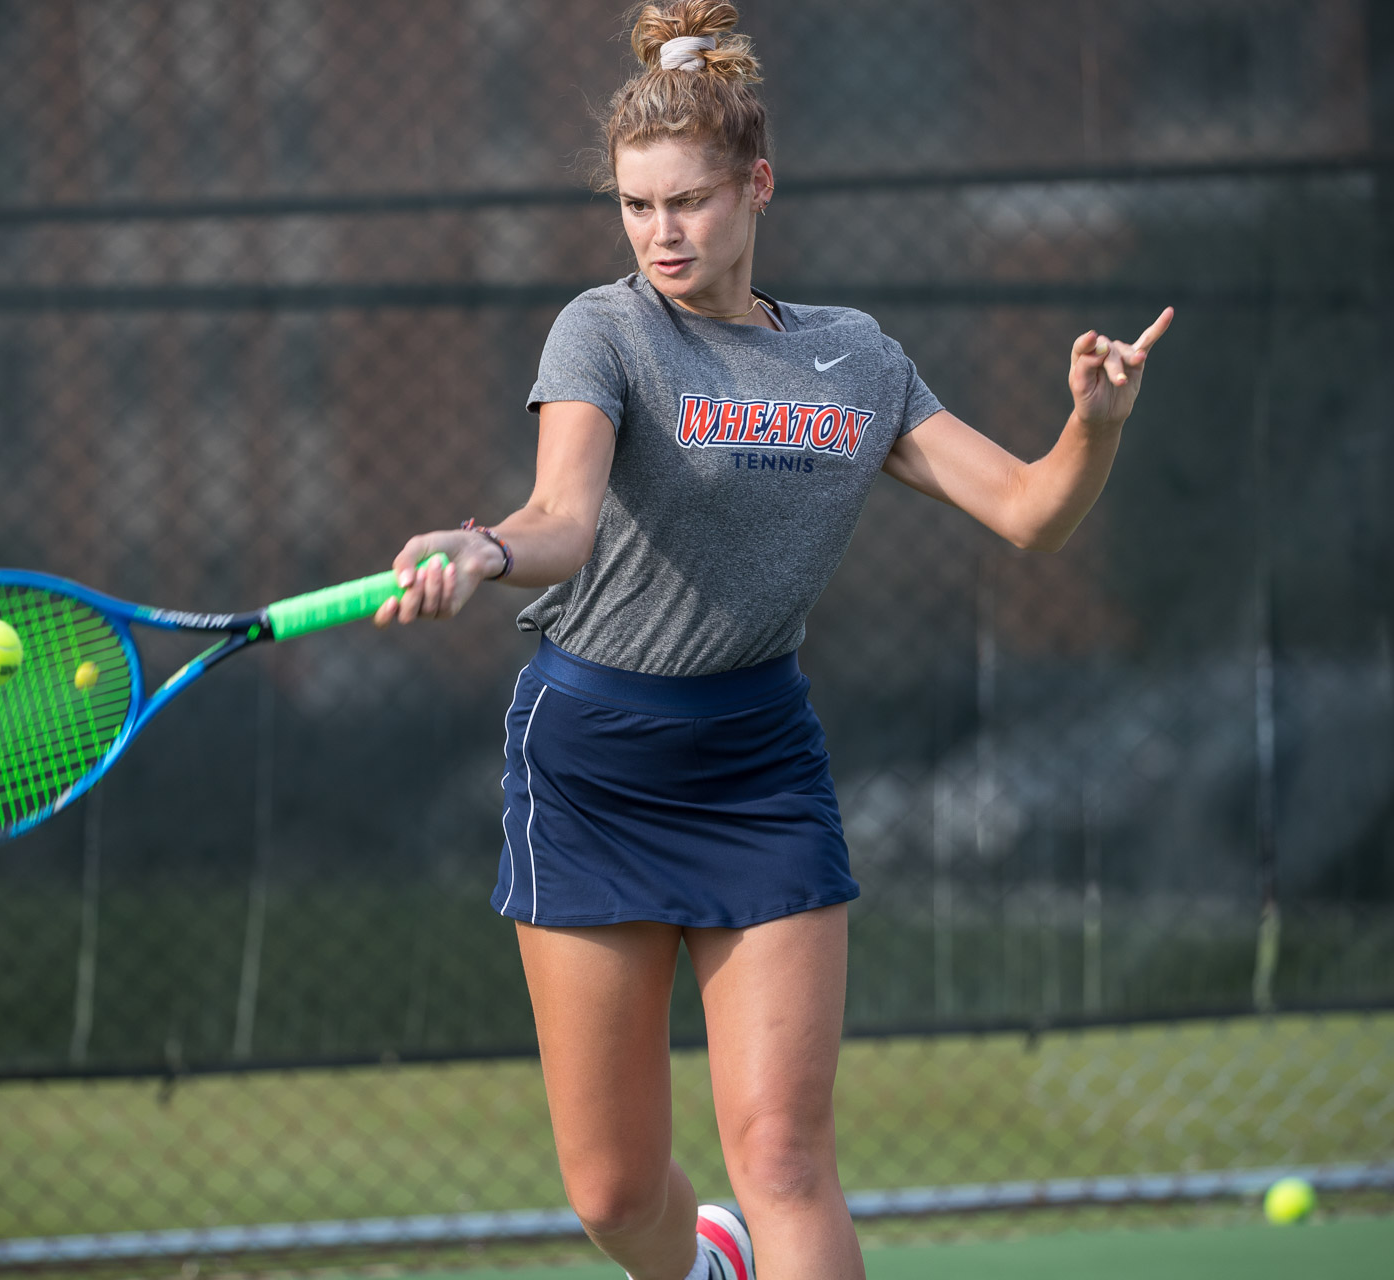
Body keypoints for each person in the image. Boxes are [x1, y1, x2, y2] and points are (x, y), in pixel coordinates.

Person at [373, 4, 1171, 1276]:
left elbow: (1031, 512)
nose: (661, 233)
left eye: (686, 202)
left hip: (757, 767)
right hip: (592, 762)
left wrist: (1097, 423)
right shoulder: (605, 329)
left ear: (757, 186)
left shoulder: (856, 360)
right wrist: (484, 550)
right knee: (614, 1189)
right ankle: (704, 1265)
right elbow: (561, 515)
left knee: (787, 1155)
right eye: (637, 207)